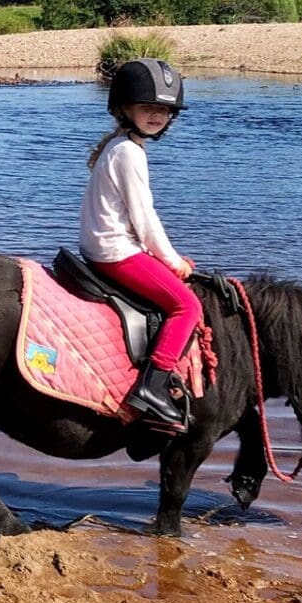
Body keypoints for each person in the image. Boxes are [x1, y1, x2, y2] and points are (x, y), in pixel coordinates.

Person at [78, 56, 199, 429]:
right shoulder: (129, 153)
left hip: (102, 246)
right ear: (124, 108)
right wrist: (172, 260)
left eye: (164, 110)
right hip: (115, 251)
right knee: (188, 307)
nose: (156, 115)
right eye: (148, 107)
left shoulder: (120, 143)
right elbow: (144, 218)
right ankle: (153, 385)